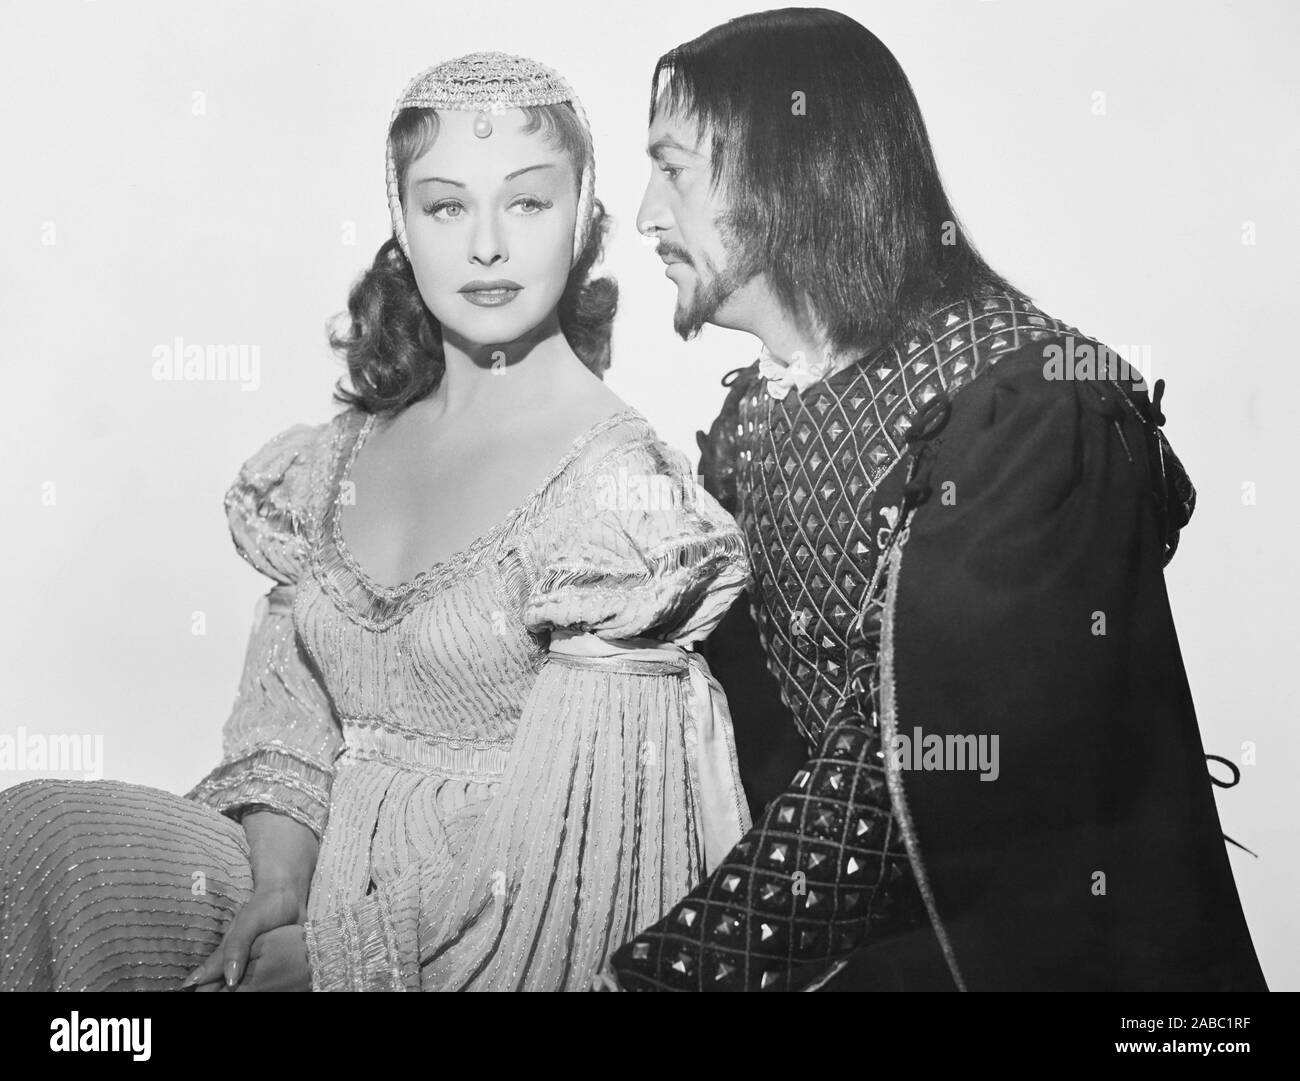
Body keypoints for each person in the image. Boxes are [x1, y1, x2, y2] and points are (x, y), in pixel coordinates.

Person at [0, 51, 751, 992]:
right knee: (39, 837)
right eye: (446, 205)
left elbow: (582, 856)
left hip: (480, 933)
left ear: (582, 215)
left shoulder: (619, 499)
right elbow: (288, 723)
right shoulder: (335, 461)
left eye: (526, 203)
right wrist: (279, 885)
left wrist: (339, 960)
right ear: (401, 221)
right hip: (312, 870)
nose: (486, 246)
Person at [606, 8, 1268, 991]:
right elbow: (727, 738)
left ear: (794, 170)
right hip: (831, 957)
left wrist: (662, 974)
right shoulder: (754, 422)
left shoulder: (1025, 404)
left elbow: (914, 762)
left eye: (675, 169)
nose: (646, 213)